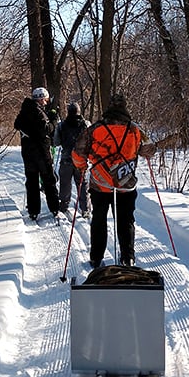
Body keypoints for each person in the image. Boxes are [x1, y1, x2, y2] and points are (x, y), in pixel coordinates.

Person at [72, 92, 154, 268]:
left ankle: (96, 258)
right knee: (126, 220)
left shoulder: (94, 129)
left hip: (100, 184)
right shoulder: (135, 130)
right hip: (125, 184)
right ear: (125, 107)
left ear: (108, 107)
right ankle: (128, 258)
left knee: (99, 219)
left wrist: (81, 167)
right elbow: (149, 149)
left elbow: (77, 153)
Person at [14, 86, 60, 221]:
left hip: (28, 153)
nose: (46, 103)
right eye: (45, 100)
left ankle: (33, 211)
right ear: (40, 100)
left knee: (32, 181)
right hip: (41, 151)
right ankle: (54, 208)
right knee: (49, 180)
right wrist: (53, 121)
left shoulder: (24, 112)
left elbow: (17, 124)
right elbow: (45, 130)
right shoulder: (38, 113)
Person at [53, 101, 90, 216]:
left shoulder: (61, 125)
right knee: (82, 184)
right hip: (81, 160)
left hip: (66, 159)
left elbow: (56, 142)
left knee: (65, 183)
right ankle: (85, 209)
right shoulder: (86, 124)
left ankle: (64, 205)